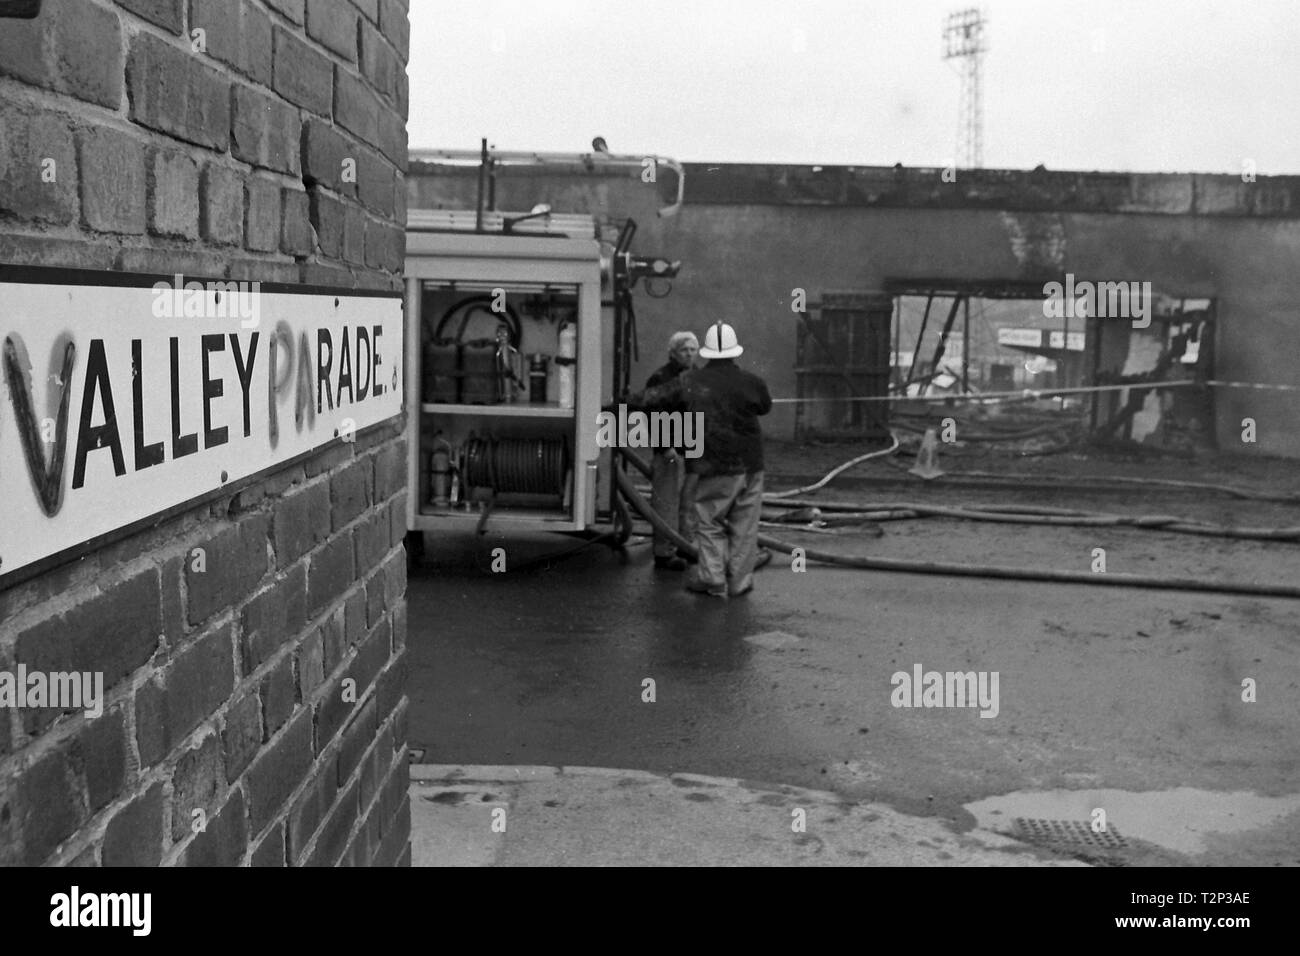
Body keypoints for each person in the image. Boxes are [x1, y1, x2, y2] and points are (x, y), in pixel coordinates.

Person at [628, 321, 772, 598]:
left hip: (713, 464)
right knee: (745, 524)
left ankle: (713, 579)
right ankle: (740, 584)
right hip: (751, 465)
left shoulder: (690, 381)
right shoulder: (753, 382)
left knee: (710, 521)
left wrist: (612, 405)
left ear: (705, 352)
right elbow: (764, 406)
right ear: (735, 352)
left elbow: (649, 399)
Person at [645, 332, 699, 571]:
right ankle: (664, 552)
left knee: (689, 503)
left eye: (693, 349)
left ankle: (686, 547)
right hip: (670, 452)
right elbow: (651, 415)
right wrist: (665, 447)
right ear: (673, 352)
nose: (689, 354)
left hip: (691, 449)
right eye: (684, 350)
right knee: (666, 502)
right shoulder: (660, 378)